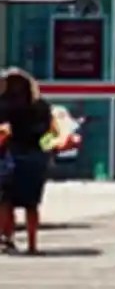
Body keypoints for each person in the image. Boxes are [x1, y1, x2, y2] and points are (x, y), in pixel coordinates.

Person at [0, 69, 53, 254]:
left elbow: (4, 132)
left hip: (11, 155)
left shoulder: (4, 106)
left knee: (6, 200)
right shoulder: (42, 106)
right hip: (35, 157)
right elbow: (48, 130)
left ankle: (7, 238)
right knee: (32, 204)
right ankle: (32, 244)